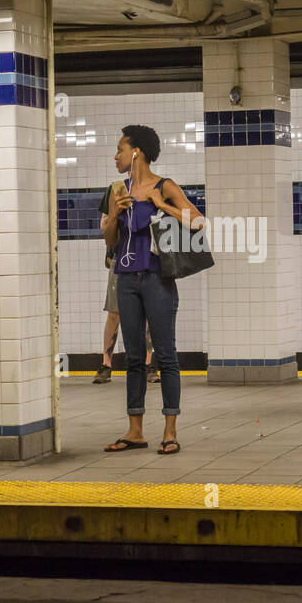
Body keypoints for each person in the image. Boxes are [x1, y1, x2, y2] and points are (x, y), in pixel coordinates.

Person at [101, 125, 203, 455]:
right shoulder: (118, 189)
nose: (115, 155)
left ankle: (170, 431)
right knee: (132, 357)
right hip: (127, 279)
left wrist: (161, 204)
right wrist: (114, 215)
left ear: (137, 153)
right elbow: (112, 242)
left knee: (166, 355)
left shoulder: (165, 185)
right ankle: (135, 430)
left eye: (120, 148)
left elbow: (198, 222)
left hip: (158, 279)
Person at [94, 189, 156, 385]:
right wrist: (116, 213)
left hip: (147, 258)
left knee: (148, 314)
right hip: (121, 258)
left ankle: (148, 365)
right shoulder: (114, 192)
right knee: (115, 312)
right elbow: (104, 226)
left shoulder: (152, 190)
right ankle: (106, 364)